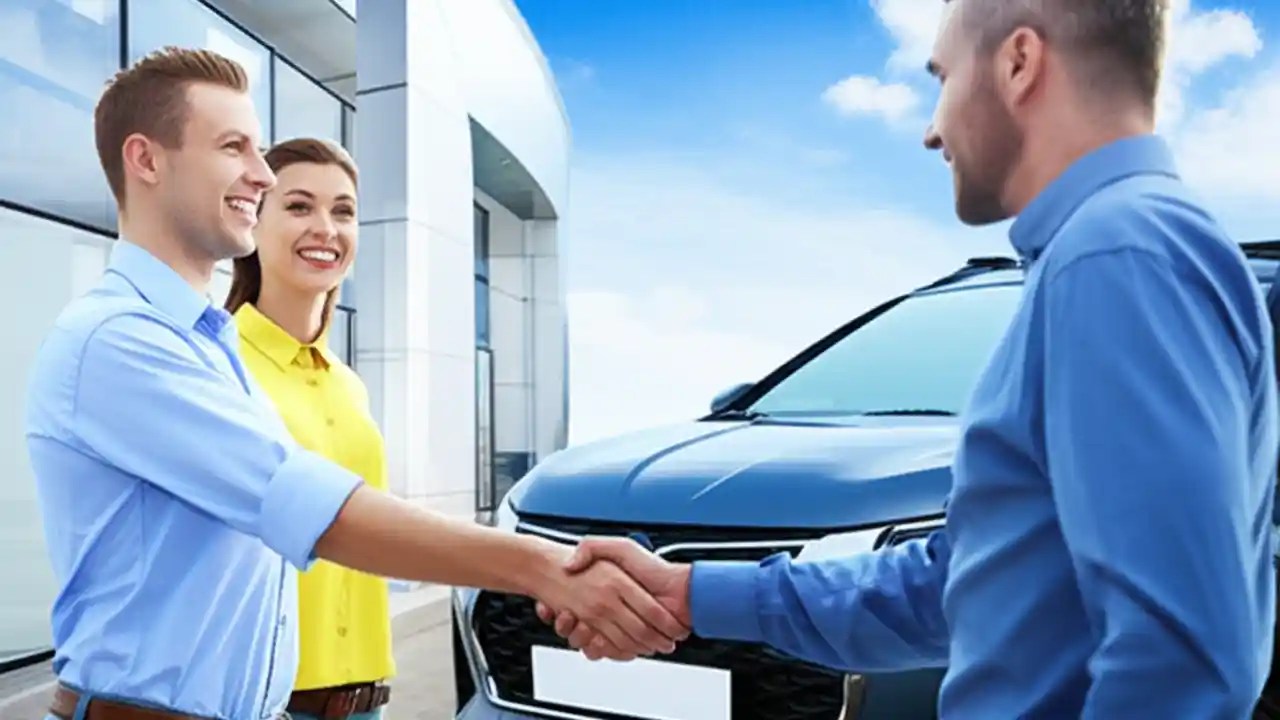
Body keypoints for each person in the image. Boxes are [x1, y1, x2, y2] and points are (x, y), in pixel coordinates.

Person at [540, 1, 1279, 717]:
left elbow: (1183, 663)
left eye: (943, 78)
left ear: (1019, 63)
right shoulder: (1105, 258)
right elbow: (958, 584)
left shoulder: (1118, 256)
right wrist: (689, 592)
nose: (931, 131)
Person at [24, 46, 686, 720]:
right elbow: (311, 506)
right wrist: (547, 569)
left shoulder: (206, 348)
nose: (260, 173)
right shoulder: (120, 342)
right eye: (233, 147)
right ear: (146, 160)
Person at [222, 137, 390, 719]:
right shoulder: (218, 364)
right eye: (298, 206)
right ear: (252, 221)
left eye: (343, 211)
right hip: (263, 704)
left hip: (367, 699)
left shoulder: (349, 385)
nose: (326, 228)